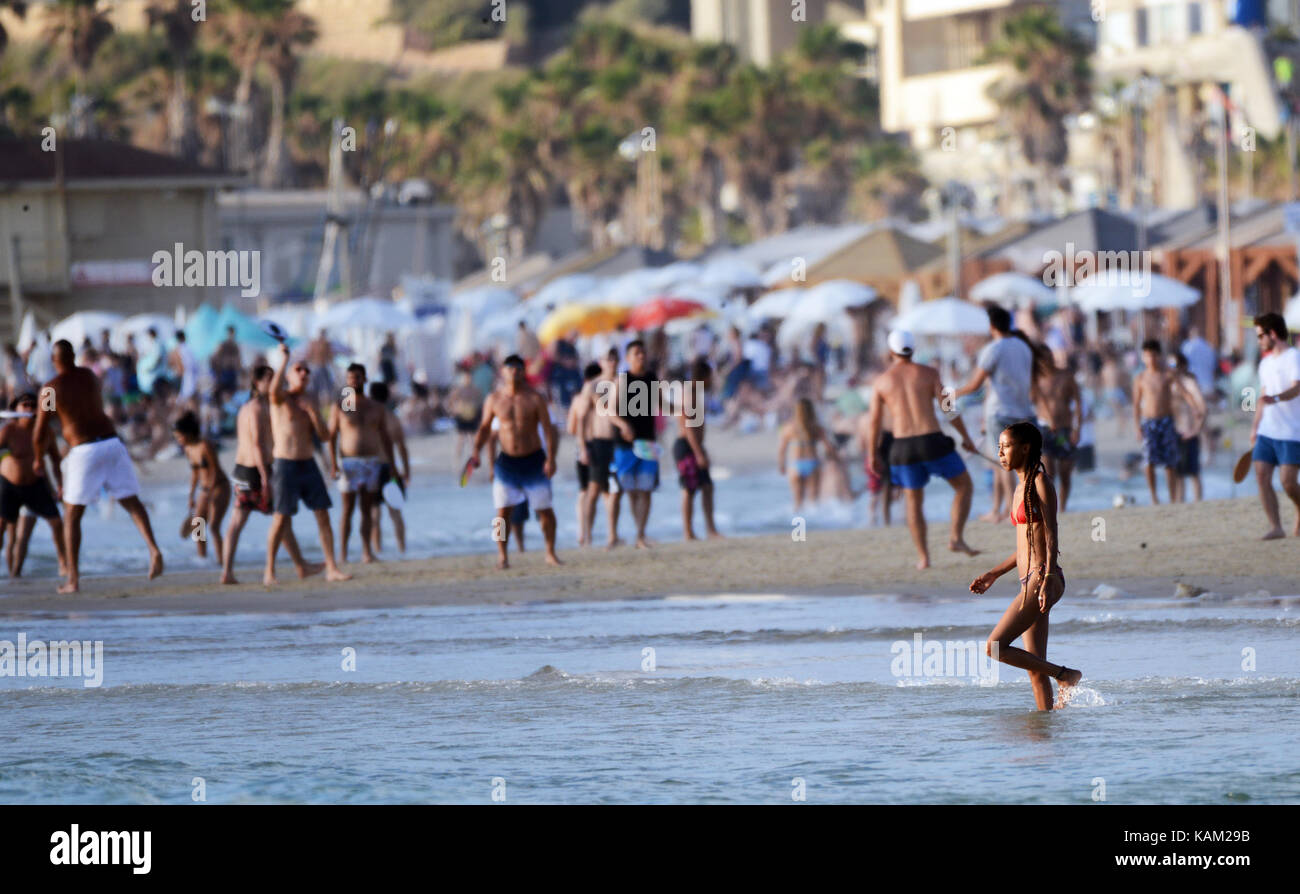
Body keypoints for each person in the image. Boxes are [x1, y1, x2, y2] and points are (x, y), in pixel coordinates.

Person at [31, 340, 164, 592]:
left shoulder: (50, 389)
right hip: (112, 443)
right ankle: (154, 549)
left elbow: (40, 431)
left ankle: (72, 579)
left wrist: (39, 457)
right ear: (73, 356)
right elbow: (86, 406)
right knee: (131, 501)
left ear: (54, 360)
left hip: (84, 450)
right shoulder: (90, 376)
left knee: (72, 516)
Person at [969, 421, 1083, 711]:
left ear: (1025, 448)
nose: (1001, 453)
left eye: (1005, 447)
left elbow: (1051, 533)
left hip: (1042, 578)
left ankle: (1066, 675)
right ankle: (1045, 731)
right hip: (1029, 578)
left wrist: (1046, 577)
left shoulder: (1041, 483)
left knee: (994, 647)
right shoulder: (1020, 487)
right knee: (1035, 668)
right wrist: (995, 573)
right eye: (999, 448)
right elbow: (1024, 546)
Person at [865, 330, 979, 570]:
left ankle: (923, 558)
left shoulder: (881, 381)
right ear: (913, 349)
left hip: (902, 447)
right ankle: (956, 537)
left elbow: (874, 421)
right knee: (964, 486)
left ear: (890, 352)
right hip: (932, 441)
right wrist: (966, 438)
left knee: (913, 501)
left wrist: (872, 454)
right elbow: (949, 409)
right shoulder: (930, 373)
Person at [221, 364, 315, 585]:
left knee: (242, 521)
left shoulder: (247, 407)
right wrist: (265, 477)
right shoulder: (256, 409)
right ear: (257, 383)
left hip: (242, 469)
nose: (274, 383)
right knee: (280, 518)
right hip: (256, 470)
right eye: (269, 379)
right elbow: (256, 444)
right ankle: (295, 567)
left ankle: (227, 572)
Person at [265, 343, 350, 584]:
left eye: (306, 371)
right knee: (281, 518)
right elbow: (273, 390)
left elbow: (324, 436)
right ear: (290, 375)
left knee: (322, 514)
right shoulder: (281, 398)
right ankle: (269, 571)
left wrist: (313, 413)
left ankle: (331, 568)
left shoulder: (310, 399)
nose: (304, 374)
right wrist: (284, 361)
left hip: (308, 464)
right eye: (299, 370)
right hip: (285, 465)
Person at [471, 354, 559, 569]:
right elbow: (484, 429)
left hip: (534, 460)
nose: (514, 372)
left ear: (523, 371)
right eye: (509, 368)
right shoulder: (494, 399)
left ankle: (549, 552)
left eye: (518, 368)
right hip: (506, 462)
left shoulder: (534, 398)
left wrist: (551, 458)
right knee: (502, 513)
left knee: (545, 510)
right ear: (502, 371)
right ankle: (502, 555)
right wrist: (476, 451)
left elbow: (548, 430)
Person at [953, 304, 1035, 517]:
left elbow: (975, 385)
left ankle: (1011, 508)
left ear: (991, 326)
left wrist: (953, 394)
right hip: (1023, 409)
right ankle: (1017, 505)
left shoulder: (993, 349)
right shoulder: (1023, 347)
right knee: (1023, 464)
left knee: (1003, 463)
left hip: (999, 411)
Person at [327, 363, 392, 565]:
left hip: (371, 462)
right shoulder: (343, 405)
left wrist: (393, 464)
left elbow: (385, 437)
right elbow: (331, 436)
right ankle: (343, 554)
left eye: (356, 377)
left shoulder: (375, 406)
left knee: (367, 508)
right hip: (348, 461)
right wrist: (333, 464)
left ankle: (366, 551)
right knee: (347, 509)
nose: (353, 381)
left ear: (364, 379)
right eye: (349, 378)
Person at [0, 392, 67, 578]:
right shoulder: (9, 430)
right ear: (16, 409)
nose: (29, 409)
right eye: (25, 405)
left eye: (33, 405)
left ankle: (63, 563)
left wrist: (60, 484)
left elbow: (55, 460)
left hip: (35, 484)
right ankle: (14, 575)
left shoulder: (46, 432)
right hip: (9, 485)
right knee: (6, 528)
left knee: (56, 522)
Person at [1250, 313, 1300, 539]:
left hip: (1291, 431)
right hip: (1267, 431)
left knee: (1288, 483)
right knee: (1262, 476)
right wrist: (1255, 427)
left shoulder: (1293, 357)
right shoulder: (1265, 363)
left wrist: (1277, 398)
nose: (1259, 340)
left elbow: (1297, 388)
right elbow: (1262, 397)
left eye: (1260, 335)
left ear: (1272, 333)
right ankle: (1276, 526)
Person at [1131, 340, 1197, 504]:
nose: (1151, 359)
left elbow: (1185, 393)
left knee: (1170, 462)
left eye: (1153, 355)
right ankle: (1154, 496)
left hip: (1166, 421)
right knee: (1148, 462)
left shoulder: (1168, 374)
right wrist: (1137, 426)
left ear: (1159, 356)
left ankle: (1172, 497)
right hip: (1149, 422)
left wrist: (1195, 407)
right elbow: (1136, 404)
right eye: (1147, 356)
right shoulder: (1140, 378)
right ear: (1143, 357)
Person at [610, 340, 659, 549]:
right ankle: (635, 533)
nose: (641, 356)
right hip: (626, 444)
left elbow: (659, 404)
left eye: (643, 353)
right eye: (636, 353)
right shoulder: (622, 380)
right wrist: (624, 425)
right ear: (628, 358)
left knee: (646, 489)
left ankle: (641, 534)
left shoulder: (651, 378)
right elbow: (611, 411)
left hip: (648, 441)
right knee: (631, 490)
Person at [572, 348, 622, 549]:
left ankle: (612, 535)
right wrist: (583, 447)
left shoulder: (623, 383)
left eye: (614, 359)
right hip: (599, 441)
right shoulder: (592, 386)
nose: (611, 362)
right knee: (593, 490)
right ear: (601, 362)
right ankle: (587, 534)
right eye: (607, 359)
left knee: (615, 490)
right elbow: (582, 420)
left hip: (618, 443)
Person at [172, 410, 230, 563]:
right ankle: (202, 560)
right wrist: (191, 496)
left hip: (219, 487)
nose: (178, 440)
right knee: (198, 525)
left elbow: (215, 470)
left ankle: (222, 563)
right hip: (204, 489)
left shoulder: (205, 445)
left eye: (179, 436)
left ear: (188, 433)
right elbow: (195, 473)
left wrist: (209, 492)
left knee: (214, 527)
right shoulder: (188, 449)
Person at [674, 358, 721, 540]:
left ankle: (711, 530)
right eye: (710, 377)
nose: (712, 381)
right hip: (687, 447)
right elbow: (688, 428)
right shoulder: (690, 394)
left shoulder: (696, 393)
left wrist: (701, 449)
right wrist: (699, 453)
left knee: (707, 486)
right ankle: (688, 532)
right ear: (703, 377)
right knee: (689, 489)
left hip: (694, 446)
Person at [1032, 345, 1082, 512]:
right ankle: (1050, 508)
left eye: (1048, 358)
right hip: (1044, 430)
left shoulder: (1066, 376)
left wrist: (1077, 428)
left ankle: (1063, 507)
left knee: (1066, 471)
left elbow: (1078, 402)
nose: (1046, 362)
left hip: (1064, 430)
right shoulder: (1036, 379)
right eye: (1042, 359)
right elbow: (1029, 402)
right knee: (1048, 473)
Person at [368, 381, 409, 555]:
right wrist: (407, 470)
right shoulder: (393, 418)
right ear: (387, 397)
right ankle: (402, 550)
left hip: (372, 469)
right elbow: (401, 447)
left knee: (375, 513)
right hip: (391, 470)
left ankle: (377, 550)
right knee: (396, 512)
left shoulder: (368, 418)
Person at [778, 397, 840, 512]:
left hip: (795, 465)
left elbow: (782, 450)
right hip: (813, 464)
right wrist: (836, 459)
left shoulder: (788, 428)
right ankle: (812, 526)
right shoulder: (816, 428)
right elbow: (829, 448)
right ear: (811, 410)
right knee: (813, 502)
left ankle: (798, 527)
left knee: (797, 502)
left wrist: (781, 465)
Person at [568, 362, 602, 546]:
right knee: (593, 491)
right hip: (590, 445)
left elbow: (570, 428)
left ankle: (582, 532)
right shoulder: (594, 397)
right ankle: (587, 532)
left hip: (578, 446)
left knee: (583, 492)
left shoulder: (576, 399)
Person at [1171, 351, 1208, 503]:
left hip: (1187, 431)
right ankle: (1178, 504)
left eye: (1174, 365)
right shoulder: (1170, 383)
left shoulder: (1188, 383)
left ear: (1182, 366)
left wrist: (1196, 430)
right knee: (1177, 473)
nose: (1171, 368)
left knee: (1193, 472)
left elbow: (1203, 408)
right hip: (1173, 432)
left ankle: (1197, 502)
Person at [448, 369, 483, 464]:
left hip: (472, 415)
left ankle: (474, 457)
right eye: (466, 378)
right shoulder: (459, 390)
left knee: (472, 438)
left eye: (469, 378)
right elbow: (451, 400)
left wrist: (479, 414)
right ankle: (457, 458)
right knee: (461, 438)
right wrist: (453, 410)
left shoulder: (475, 390)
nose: (468, 379)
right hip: (461, 415)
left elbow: (480, 403)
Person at [169, 330, 200, 410]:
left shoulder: (177, 349)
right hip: (186, 376)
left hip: (183, 376)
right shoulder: (185, 348)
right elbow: (191, 365)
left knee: (184, 399)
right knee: (188, 398)